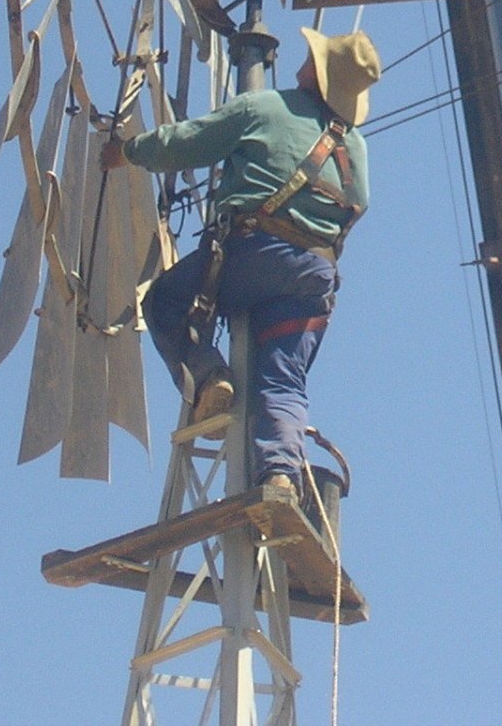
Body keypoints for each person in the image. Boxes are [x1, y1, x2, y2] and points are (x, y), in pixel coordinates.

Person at [102, 26, 379, 498]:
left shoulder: (266, 107)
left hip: (254, 252)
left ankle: (210, 377)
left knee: (167, 302)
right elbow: (358, 205)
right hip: (314, 277)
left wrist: (127, 151)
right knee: (284, 380)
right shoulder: (356, 147)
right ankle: (280, 476)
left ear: (316, 73)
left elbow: (186, 143)